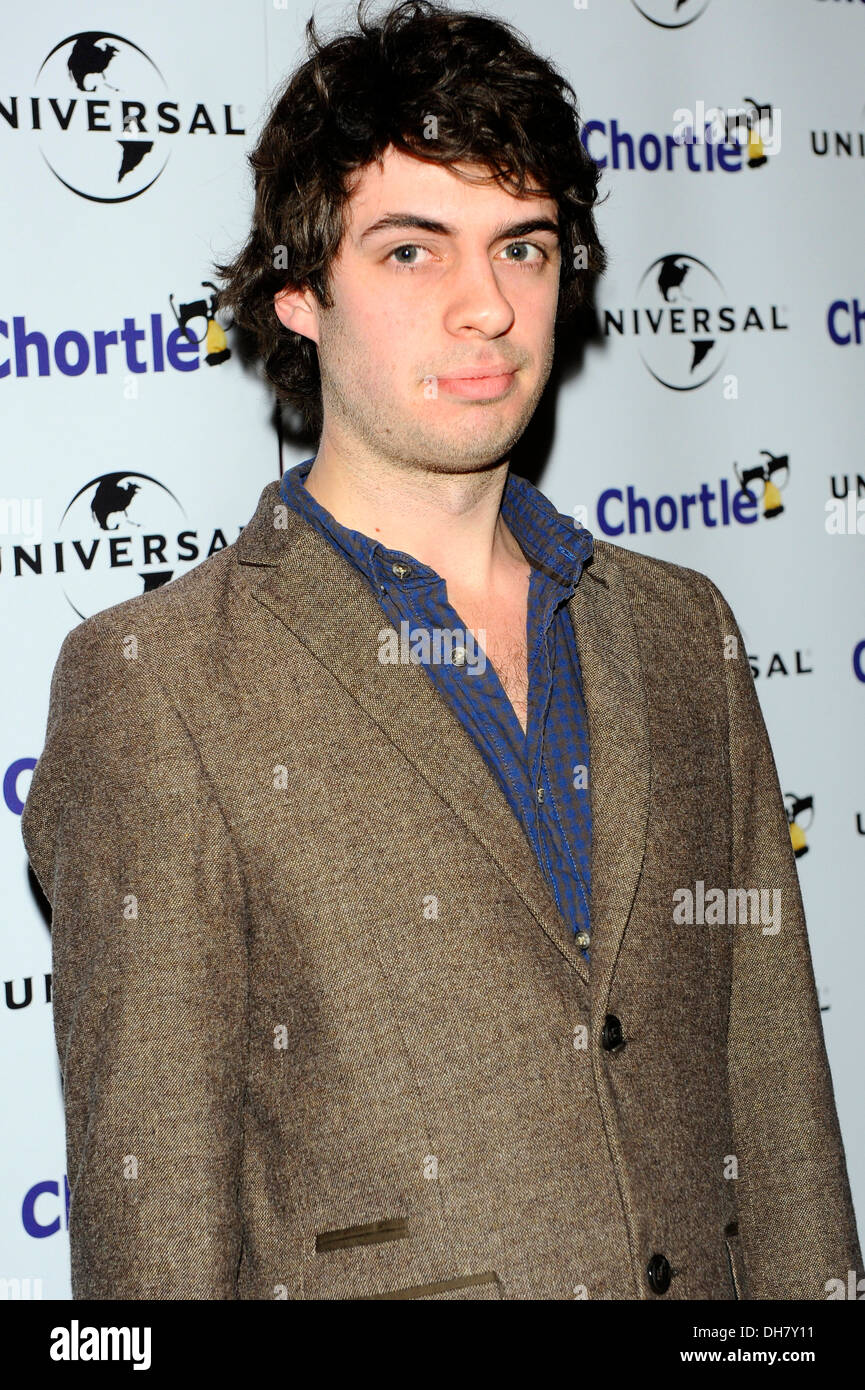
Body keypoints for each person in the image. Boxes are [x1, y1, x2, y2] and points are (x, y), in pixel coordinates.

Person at [22, 0, 860, 1300]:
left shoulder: (682, 627)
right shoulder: (158, 682)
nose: (486, 307)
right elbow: (155, 1235)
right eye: (413, 252)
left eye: (521, 247)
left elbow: (780, 1107)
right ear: (298, 293)